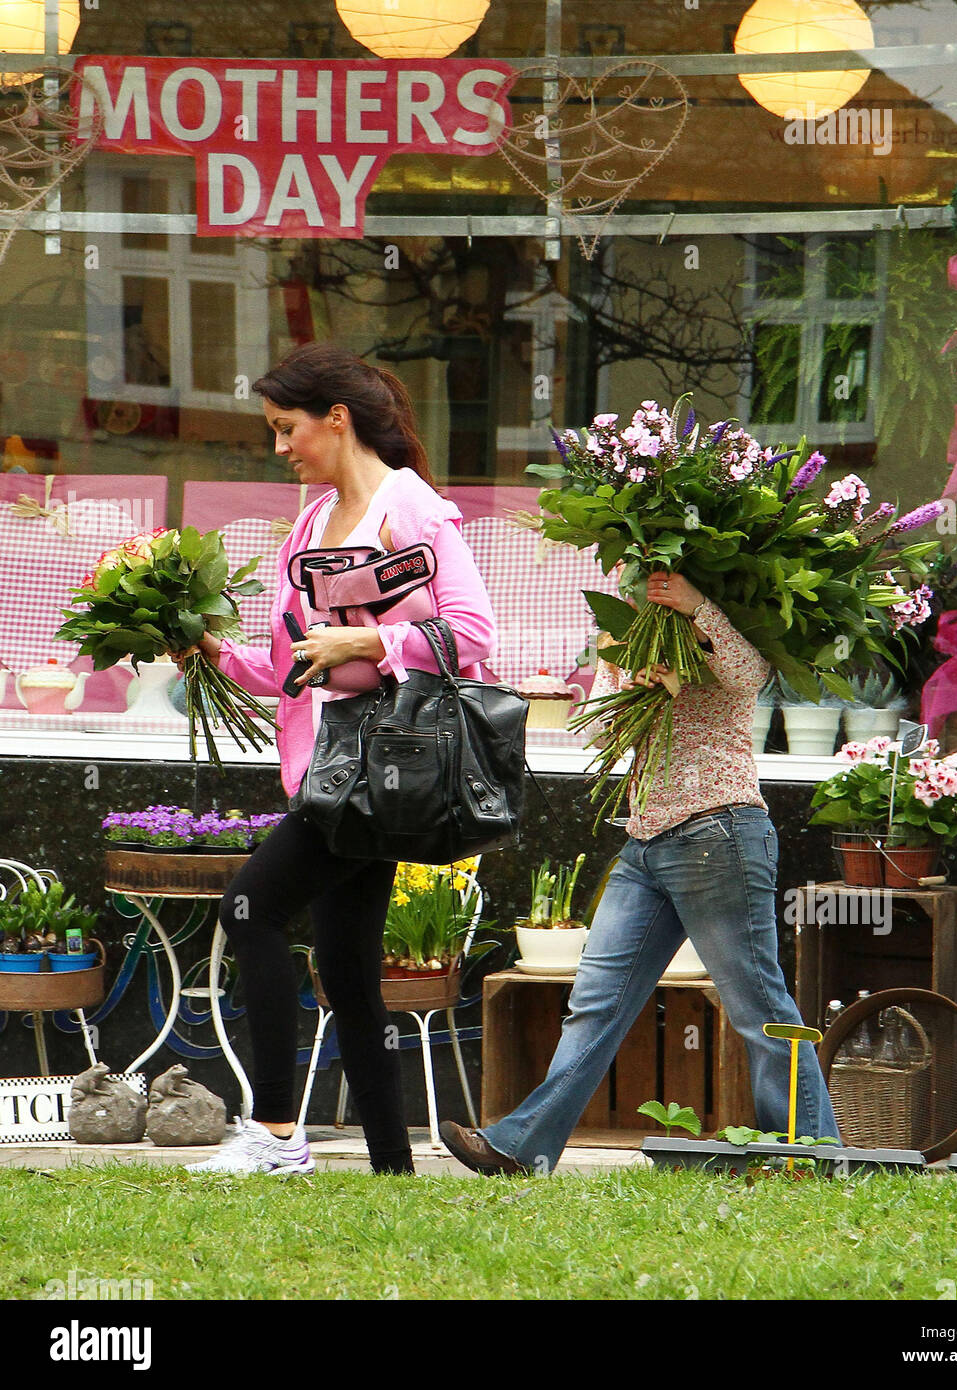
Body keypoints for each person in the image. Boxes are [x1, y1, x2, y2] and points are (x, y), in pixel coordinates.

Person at [184, 343, 497, 1177]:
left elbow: (472, 636)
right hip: (336, 770)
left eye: (287, 429)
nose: (278, 447)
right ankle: (392, 1168)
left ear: (337, 418)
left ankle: (278, 1134)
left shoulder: (413, 510)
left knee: (249, 907)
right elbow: (291, 661)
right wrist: (209, 650)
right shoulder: (310, 527)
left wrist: (370, 638)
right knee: (349, 970)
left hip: (383, 770)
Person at [440, 570, 839, 1176]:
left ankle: (808, 1154)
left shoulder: (717, 633)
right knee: (595, 1004)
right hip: (645, 842)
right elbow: (597, 728)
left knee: (758, 1005)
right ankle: (520, 1148)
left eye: (655, 584)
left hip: (718, 833)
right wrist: (616, 662)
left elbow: (749, 676)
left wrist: (698, 602)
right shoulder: (635, 640)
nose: (640, 591)